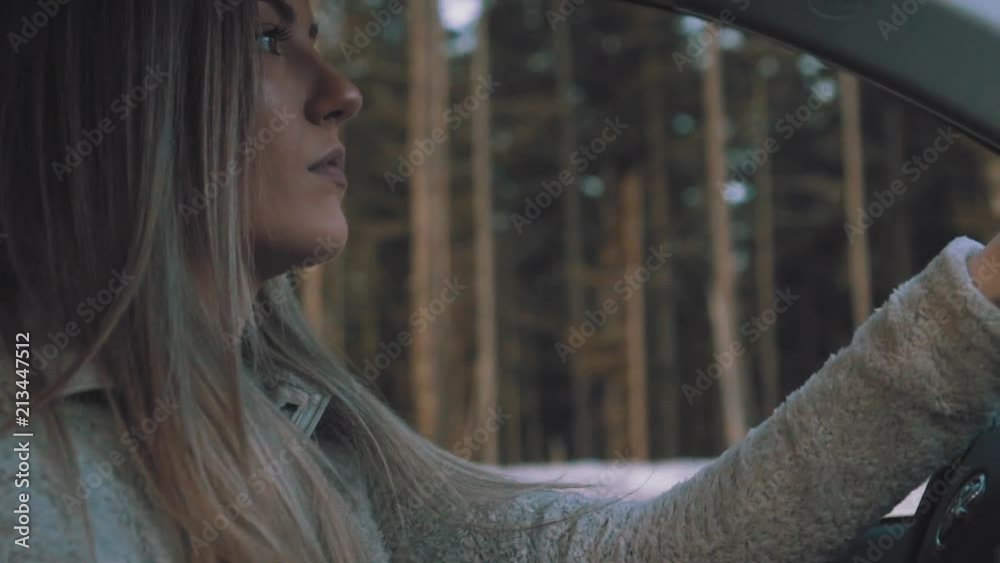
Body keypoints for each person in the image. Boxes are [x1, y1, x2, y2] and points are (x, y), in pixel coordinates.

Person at [1, 0, 999, 561]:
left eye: (315, 34)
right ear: (126, 94)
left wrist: (974, 310)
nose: (341, 93)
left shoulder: (310, 434)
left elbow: (668, 548)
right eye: (269, 39)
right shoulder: (27, 477)